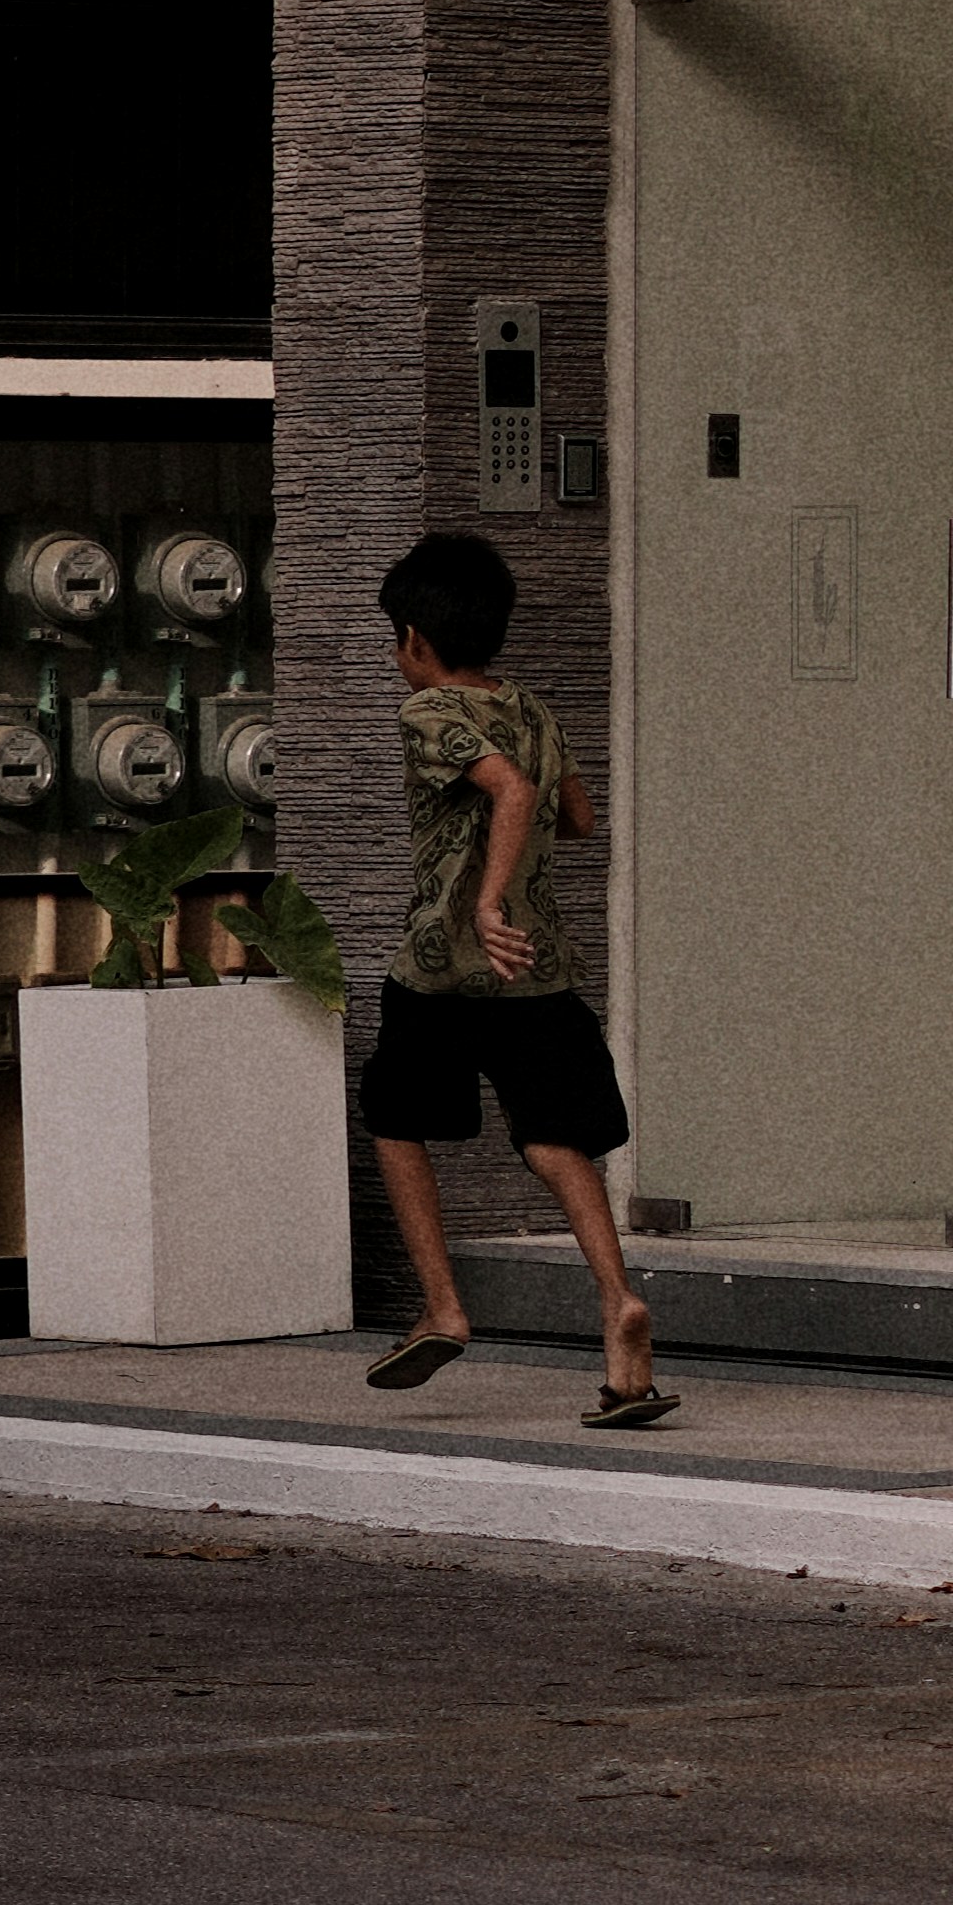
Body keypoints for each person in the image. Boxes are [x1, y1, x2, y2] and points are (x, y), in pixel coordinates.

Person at [356, 531, 675, 1426]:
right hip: (540, 969)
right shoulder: (532, 708)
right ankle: (619, 1303)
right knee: (554, 1139)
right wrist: (517, 876)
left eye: (394, 640)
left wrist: (487, 899)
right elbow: (577, 816)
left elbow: (513, 793)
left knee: (395, 1118)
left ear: (415, 639)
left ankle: (443, 1308)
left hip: (445, 964)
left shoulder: (428, 712)